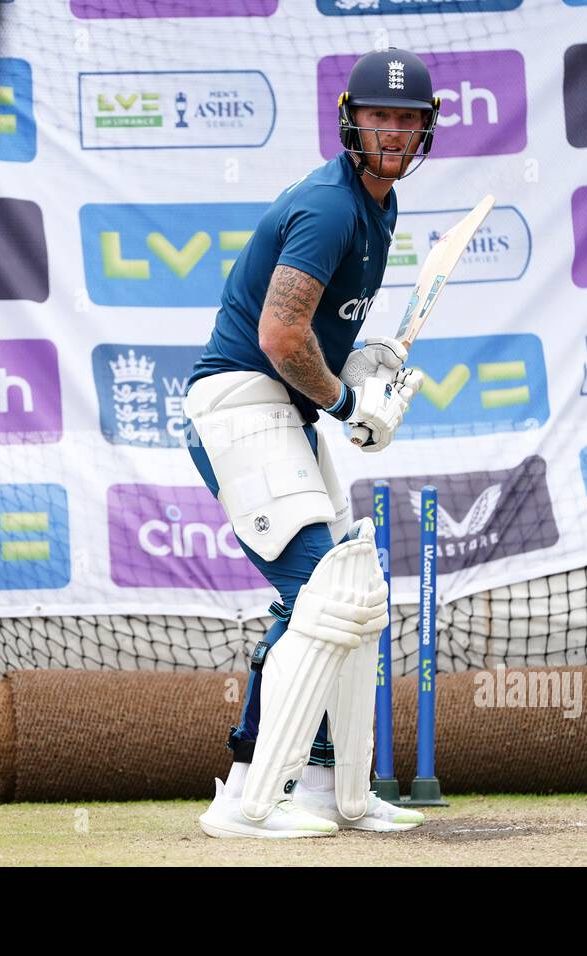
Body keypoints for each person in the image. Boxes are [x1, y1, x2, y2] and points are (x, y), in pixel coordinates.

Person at [181, 49, 436, 838]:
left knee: (343, 598)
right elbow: (282, 334)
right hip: (242, 403)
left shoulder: (379, 206)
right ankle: (248, 795)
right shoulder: (330, 207)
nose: (390, 132)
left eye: (406, 119)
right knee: (321, 594)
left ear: (426, 129)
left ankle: (329, 786)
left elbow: (319, 336)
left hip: (281, 408)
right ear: (350, 120)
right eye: (378, 116)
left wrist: (365, 367)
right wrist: (352, 403)